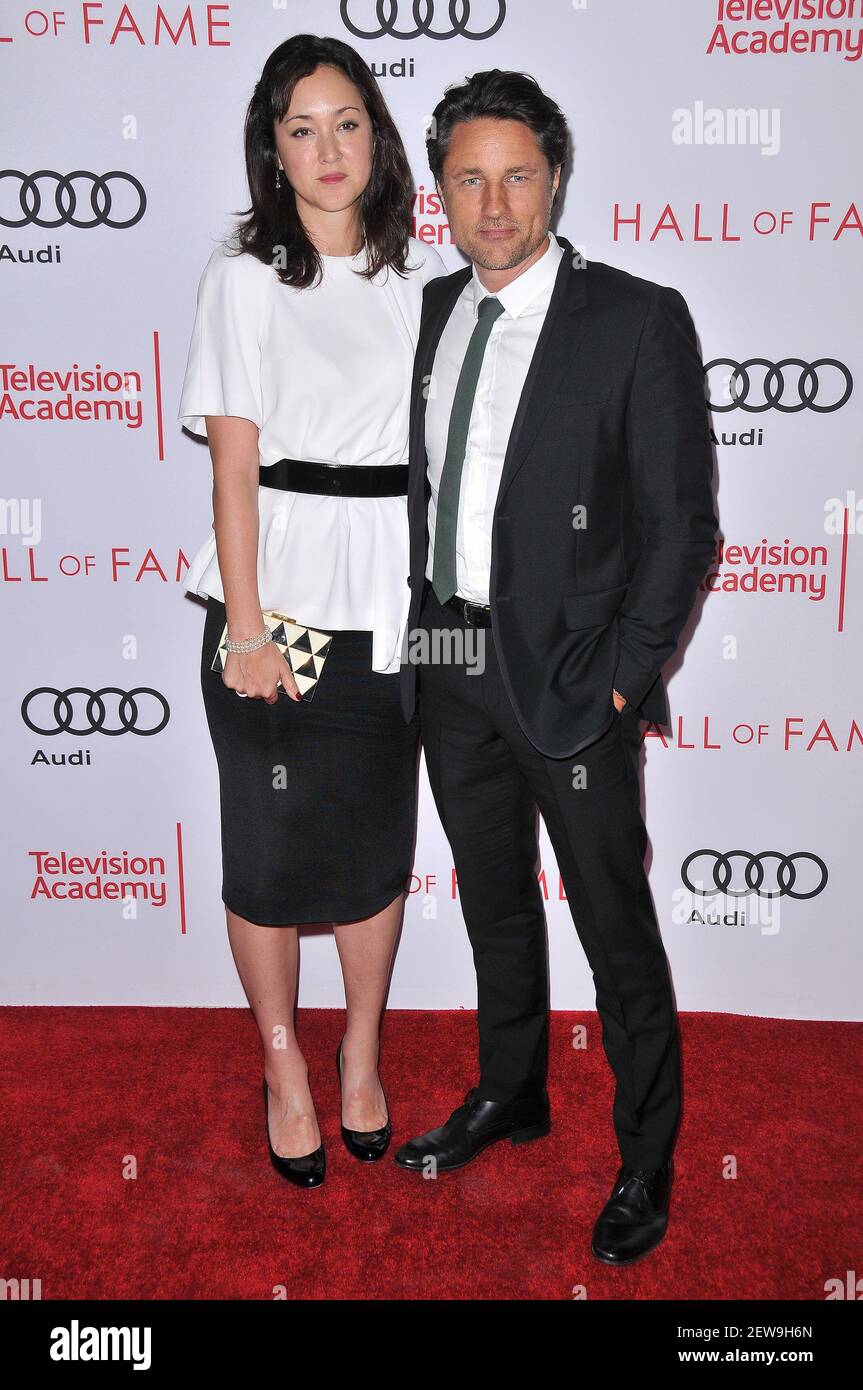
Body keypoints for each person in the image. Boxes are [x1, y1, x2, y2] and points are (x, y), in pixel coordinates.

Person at [395, 69, 718, 1264]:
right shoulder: (431, 310)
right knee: (491, 908)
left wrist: (624, 681)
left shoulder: (635, 317)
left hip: (577, 680)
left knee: (614, 930)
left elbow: (681, 525)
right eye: (467, 178)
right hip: (449, 655)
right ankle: (512, 1091)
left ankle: (645, 1160)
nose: (493, 203)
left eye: (516, 175)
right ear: (438, 191)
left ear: (555, 179)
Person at [177, 34, 445, 1188]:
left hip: (390, 606)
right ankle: (282, 1062)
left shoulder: (414, 284)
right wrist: (244, 626)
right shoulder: (242, 279)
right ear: (272, 151)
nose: (327, 147)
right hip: (271, 601)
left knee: (377, 852)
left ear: (375, 141)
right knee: (271, 855)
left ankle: (361, 1052)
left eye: (346, 123)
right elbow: (233, 471)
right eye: (301, 126)